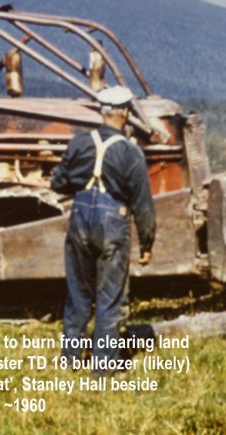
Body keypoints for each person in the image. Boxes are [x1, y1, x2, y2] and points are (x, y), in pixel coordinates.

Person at [51, 85, 155, 374]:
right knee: (109, 296)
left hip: (80, 220)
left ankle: (70, 359)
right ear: (124, 114)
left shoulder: (79, 144)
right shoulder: (131, 153)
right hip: (113, 224)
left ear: (102, 112)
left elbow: (58, 183)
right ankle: (103, 367)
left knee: (78, 293)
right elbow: (143, 204)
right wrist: (147, 244)